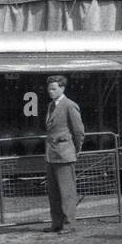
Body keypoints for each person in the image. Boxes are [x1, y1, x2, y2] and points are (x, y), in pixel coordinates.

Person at [43, 74, 84, 234]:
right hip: (51, 155)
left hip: (65, 154)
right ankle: (56, 223)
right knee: (53, 192)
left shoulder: (70, 106)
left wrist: (75, 149)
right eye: (49, 88)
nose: (50, 91)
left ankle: (68, 224)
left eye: (54, 88)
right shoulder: (50, 106)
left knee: (67, 192)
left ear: (62, 88)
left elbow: (79, 131)